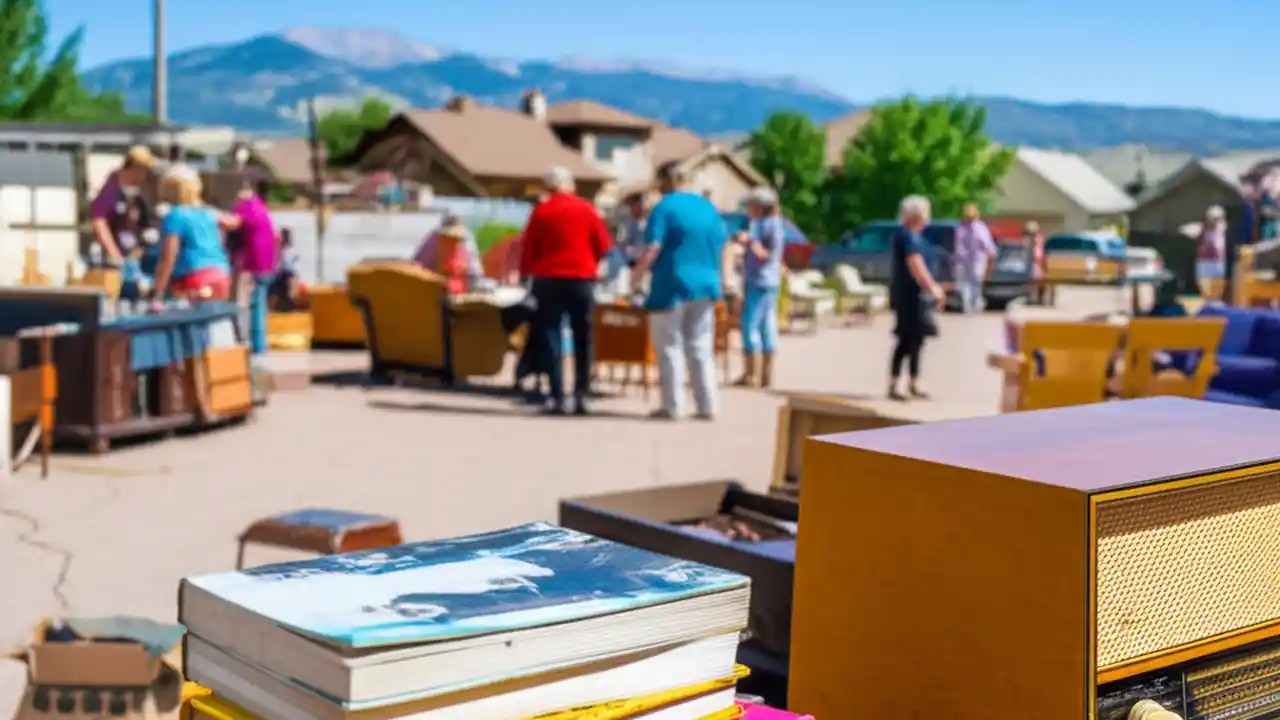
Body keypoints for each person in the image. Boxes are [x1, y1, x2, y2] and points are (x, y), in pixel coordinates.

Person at [633, 161, 727, 420]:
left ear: (662, 182)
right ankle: (707, 404)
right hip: (707, 284)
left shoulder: (663, 208)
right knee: (700, 346)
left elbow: (652, 247)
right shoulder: (708, 208)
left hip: (671, 284)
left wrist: (636, 277)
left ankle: (673, 405)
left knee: (669, 346)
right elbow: (722, 244)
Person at [519, 166, 611, 416]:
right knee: (583, 337)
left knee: (551, 337)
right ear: (571, 185)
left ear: (548, 187)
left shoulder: (541, 211)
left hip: (548, 279)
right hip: (581, 279)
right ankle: (581, 395)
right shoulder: (587, 209)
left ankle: (558, 395)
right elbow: (603, 244)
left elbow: (529, 249)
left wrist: (525, 277)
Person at [151, 166, 237, 303]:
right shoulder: (208, 214)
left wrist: (157, 293)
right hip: (221, 274)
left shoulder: (175, 216)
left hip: (193, 277)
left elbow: (168, 258)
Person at [889, 195, 945, 402]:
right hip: (910, 296)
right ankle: (895, 383)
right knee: (906, 338)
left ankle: (913, 381)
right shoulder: (908, 236)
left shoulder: (915, 236)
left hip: (916, 295)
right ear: (916, 214)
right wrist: (932, 288)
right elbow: (915, 264)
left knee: (917, 340)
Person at [734, 187, 784, 388]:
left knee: (750, 325)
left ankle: (751, 374)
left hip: (759, 280)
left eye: (751, 205)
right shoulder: (775, 224)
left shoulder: (764, 226)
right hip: (770, 281)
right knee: (767, 326)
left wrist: (748, 241)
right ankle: (765, 376)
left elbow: (765, 255)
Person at [230, 180, 280, 355]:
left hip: (254, 264)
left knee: (255, 304)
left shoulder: (246, 208)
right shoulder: (261, 209)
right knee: (260, 303)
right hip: (268, 263)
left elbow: (232, 224)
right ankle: (259, 344)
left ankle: (257, 346)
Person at [90, 145, 156, 264]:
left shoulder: (139, 190)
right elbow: (99, 222)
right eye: (144, 170)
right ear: (135, 167)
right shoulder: (110, 189)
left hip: (134, 256)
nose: (145, 175)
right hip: (114, 259)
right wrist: (114, 254)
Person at [412, 214, 482, 294]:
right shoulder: (434, 239)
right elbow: (419, 264)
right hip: (435, 287)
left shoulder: (467, 240)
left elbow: (474, 272)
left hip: (459, 289)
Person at [953, 203, 997, 314]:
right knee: (965, 282)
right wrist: (960, 256)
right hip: (964, 260)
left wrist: (992, 252)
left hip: (978, 259)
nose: (970, 218)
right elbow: (958, 243)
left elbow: (987, 242)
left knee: (976, 280)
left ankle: (976, 302)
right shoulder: (961, 227)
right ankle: (967, 305)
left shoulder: (981, 227)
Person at [1197, 205, 1228, 298]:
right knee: (1205, 288)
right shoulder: (1202, 230)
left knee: (1217, 288)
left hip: (1218, 261)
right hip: (1205, 262)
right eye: (1214, 218)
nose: (1216, 220)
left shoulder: (1222, 229)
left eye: (1219, 218)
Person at [1024, 221, 1048, 305]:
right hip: (1029, 264)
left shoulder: (1039, 239)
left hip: (1038, 264)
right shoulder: (1025, 240)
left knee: (1038, 276)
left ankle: (1038, 298)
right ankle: (1031, 297)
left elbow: (1040, 255)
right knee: (1033, 275)